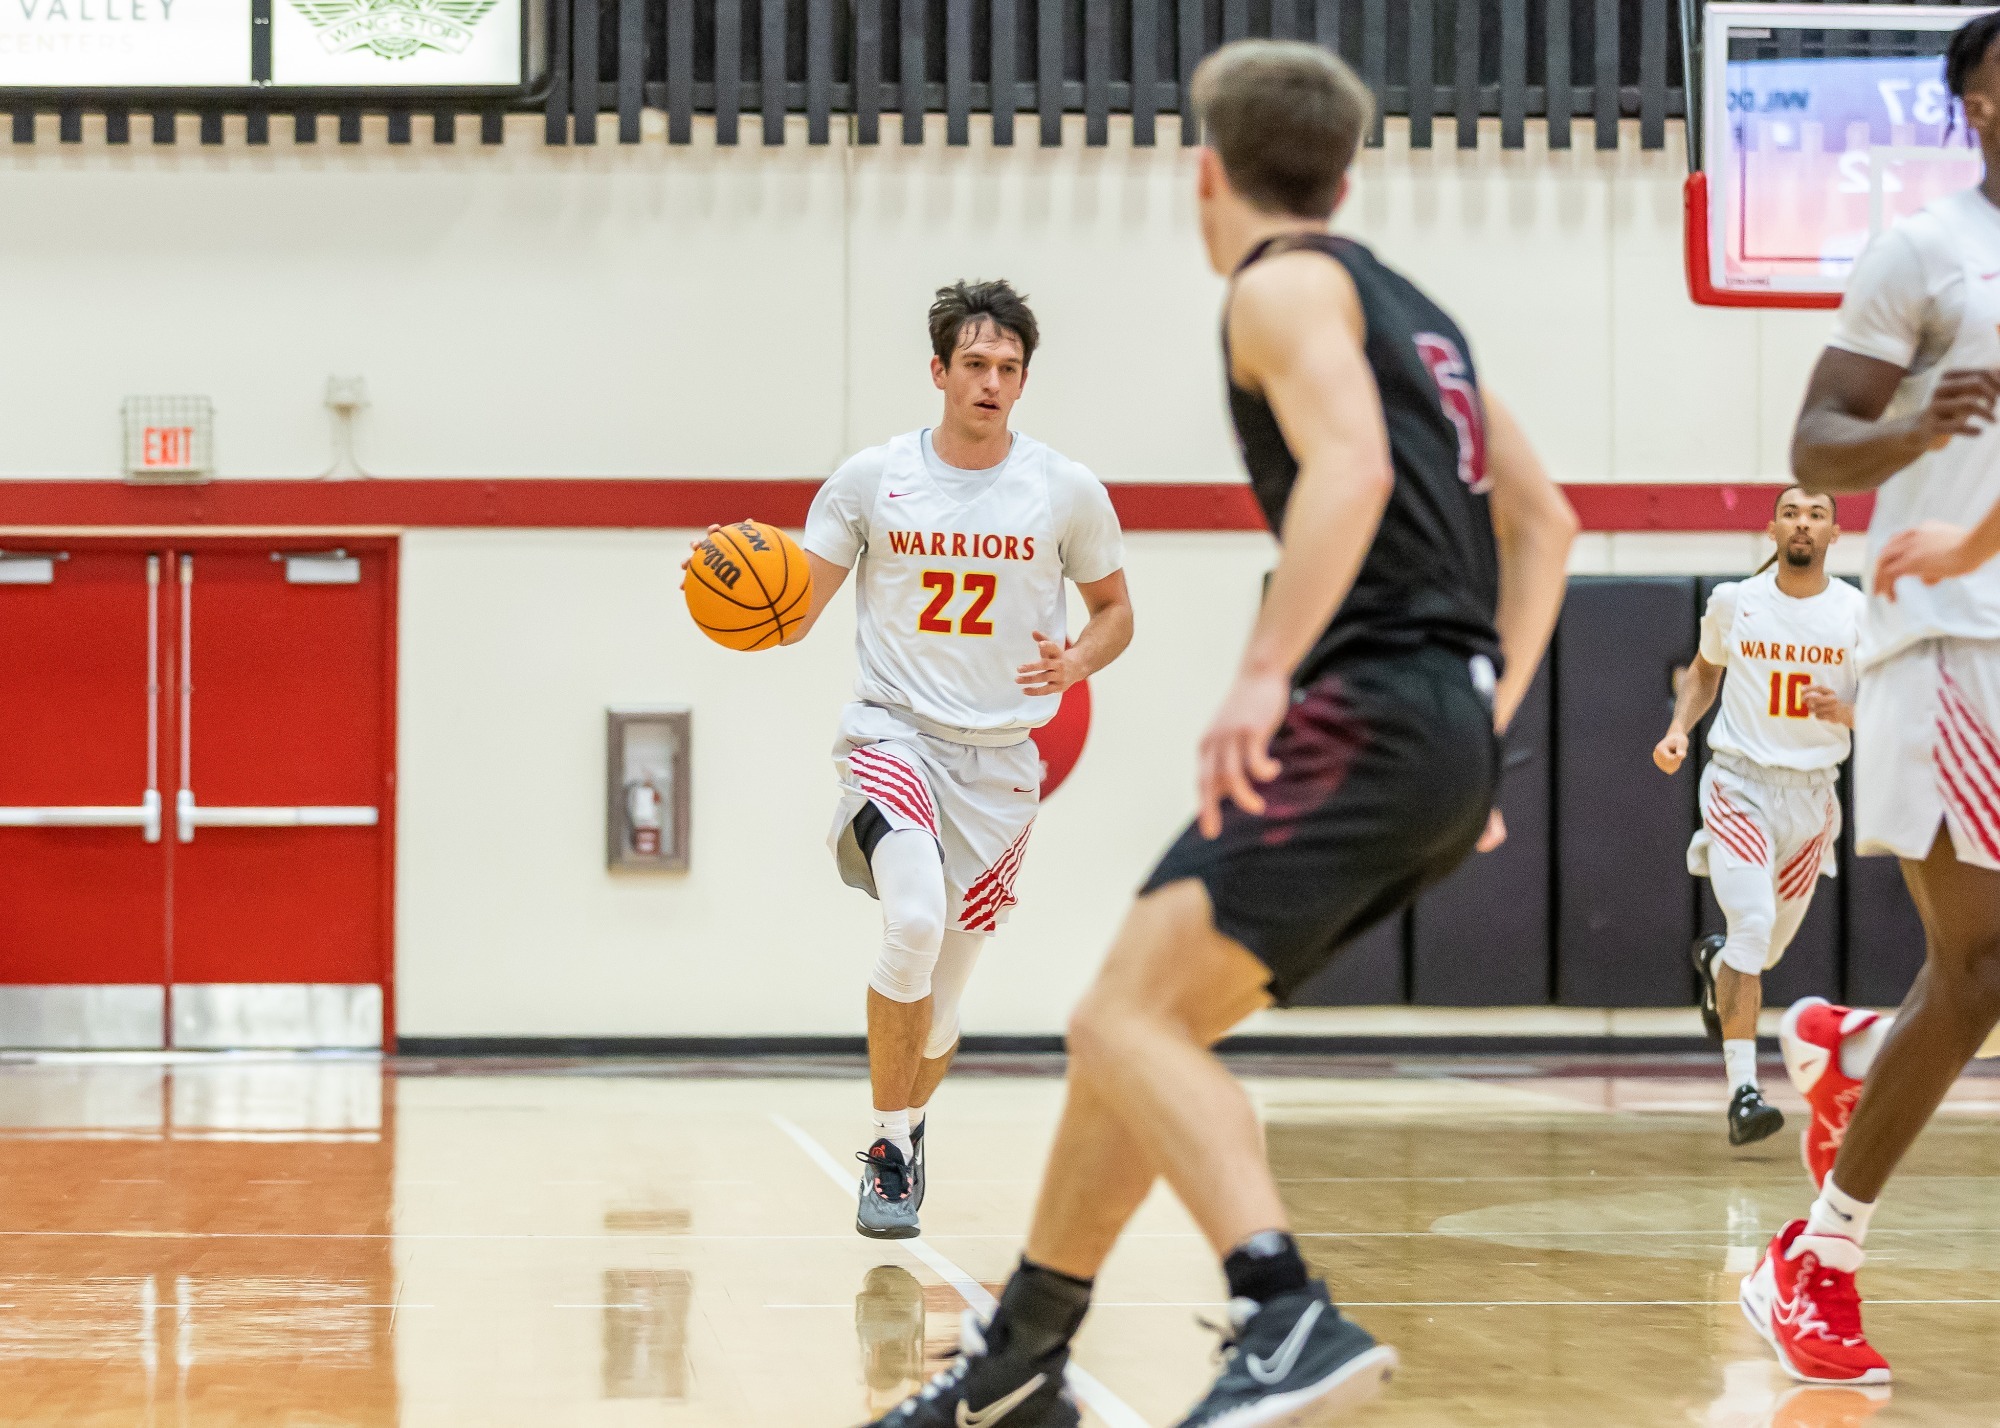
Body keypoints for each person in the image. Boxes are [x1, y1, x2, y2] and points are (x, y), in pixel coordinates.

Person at [858, 40, 1576, 1428]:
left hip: (1363, 712)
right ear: (1346, 170)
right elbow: (1545, 524)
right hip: (1437, 725)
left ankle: (1281, 1307)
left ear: (1208, 175)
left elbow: (1355, 469)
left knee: (1121, 1017)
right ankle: (1021, 1360)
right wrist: (1480, 720)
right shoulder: (1418, 314)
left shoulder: (1278, 286)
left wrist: (1263, 675)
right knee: (1141, 1032)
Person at [1753, 8, 2000, 1387]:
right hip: (1954, 643)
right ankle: (1819, 1256)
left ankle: (1854, 1040)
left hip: (1983, 584)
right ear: (1971, 98)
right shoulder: (1927, 250)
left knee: (1974, 975)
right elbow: (1815, 442)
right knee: (1983, 965)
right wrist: (1916, 428)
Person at [784, 280, 1132, 1240]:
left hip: (1001, 767)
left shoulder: (1065, 489)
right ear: (938, 372)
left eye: (1007, 368)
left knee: (937, 1015)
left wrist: (1080, 655)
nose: (989, 381)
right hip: (892, 738)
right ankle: (888, 1151)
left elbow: (1115, 614)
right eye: (972, 364)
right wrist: (752, 600)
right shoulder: (870, 480)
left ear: (1024, 381)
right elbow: (796, 607)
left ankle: (911, 1115)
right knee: (913, 919)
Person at [1652, 488, 1862, 1147]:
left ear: (1835, 532)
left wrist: (1848, 714)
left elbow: (1889, 701)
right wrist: (1679, 728)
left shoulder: (1857, 613)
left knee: (1759, 953)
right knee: (1753, 927)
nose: (1803, 522)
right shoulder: (1734, 601)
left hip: (1813, 797)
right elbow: (1704, 672)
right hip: (1739, 784)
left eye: (1817, 514)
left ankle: (1717, 968)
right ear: (1772, 526)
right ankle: (1744, 1092)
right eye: (1792, 511)